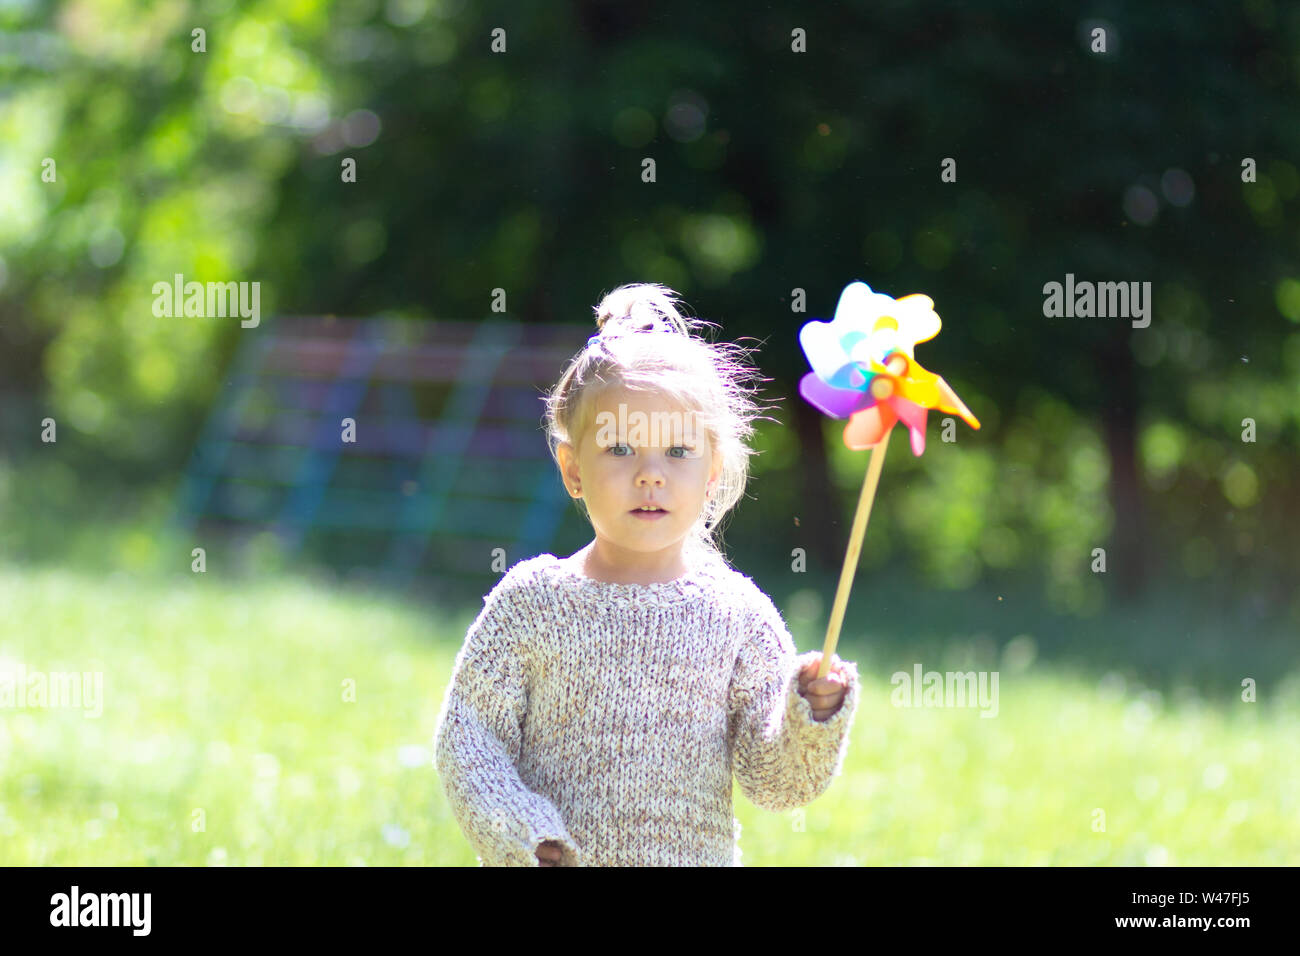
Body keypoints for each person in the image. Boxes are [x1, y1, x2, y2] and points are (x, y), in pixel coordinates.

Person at [432, 282, 860, 866]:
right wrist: (529, 837)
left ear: (713, 469)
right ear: (572, 467)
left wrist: (813, 714)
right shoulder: (530, 604)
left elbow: (775, 782)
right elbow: (469, 738)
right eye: (621, 449)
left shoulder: (736, 614)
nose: (651, 475)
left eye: (678, 452)